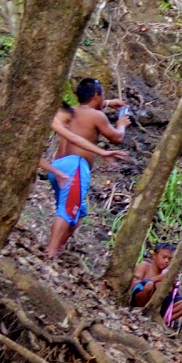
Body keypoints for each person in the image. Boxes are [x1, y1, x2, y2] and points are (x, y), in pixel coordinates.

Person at [45, 78, 130, 258]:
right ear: (96, 95)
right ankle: (50, 252)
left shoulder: (71, 112)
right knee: (67, 210)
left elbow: (90, 109)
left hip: (57, 166)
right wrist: (121, 125)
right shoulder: (97, 116)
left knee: (79, 211)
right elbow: (116, 138)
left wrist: (107, 103)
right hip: (75, 166)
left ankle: (57, 248)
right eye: (103, 96)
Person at [130, 243, 182, 325]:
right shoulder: (145, 266)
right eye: (164, 257)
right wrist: (158, 278)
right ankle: (141, 315)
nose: (167, 261)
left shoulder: (168, 274)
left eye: (169, 259)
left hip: (158, 308)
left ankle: (160, 324)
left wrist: (173, 285)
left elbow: (173, 297)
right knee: (148, 285)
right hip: (140, 304)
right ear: (154, 255)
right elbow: (133, 285)